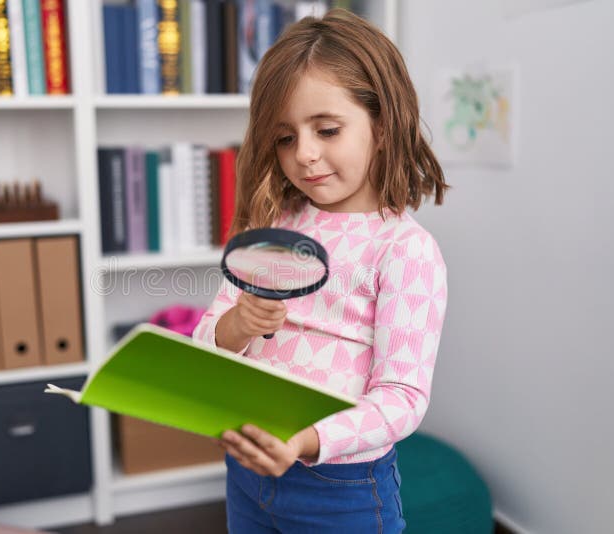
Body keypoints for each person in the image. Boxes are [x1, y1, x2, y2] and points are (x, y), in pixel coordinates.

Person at [192, 8, 448, 533]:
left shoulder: (404, 250)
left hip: (341, 488)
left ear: (383, 123)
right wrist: (239, 325)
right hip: (248, 469)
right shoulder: (275, 228)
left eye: (327, 129)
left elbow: (401, 399)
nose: (304, 154)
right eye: (285, 138)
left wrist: (306, 441)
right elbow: (206, 344)